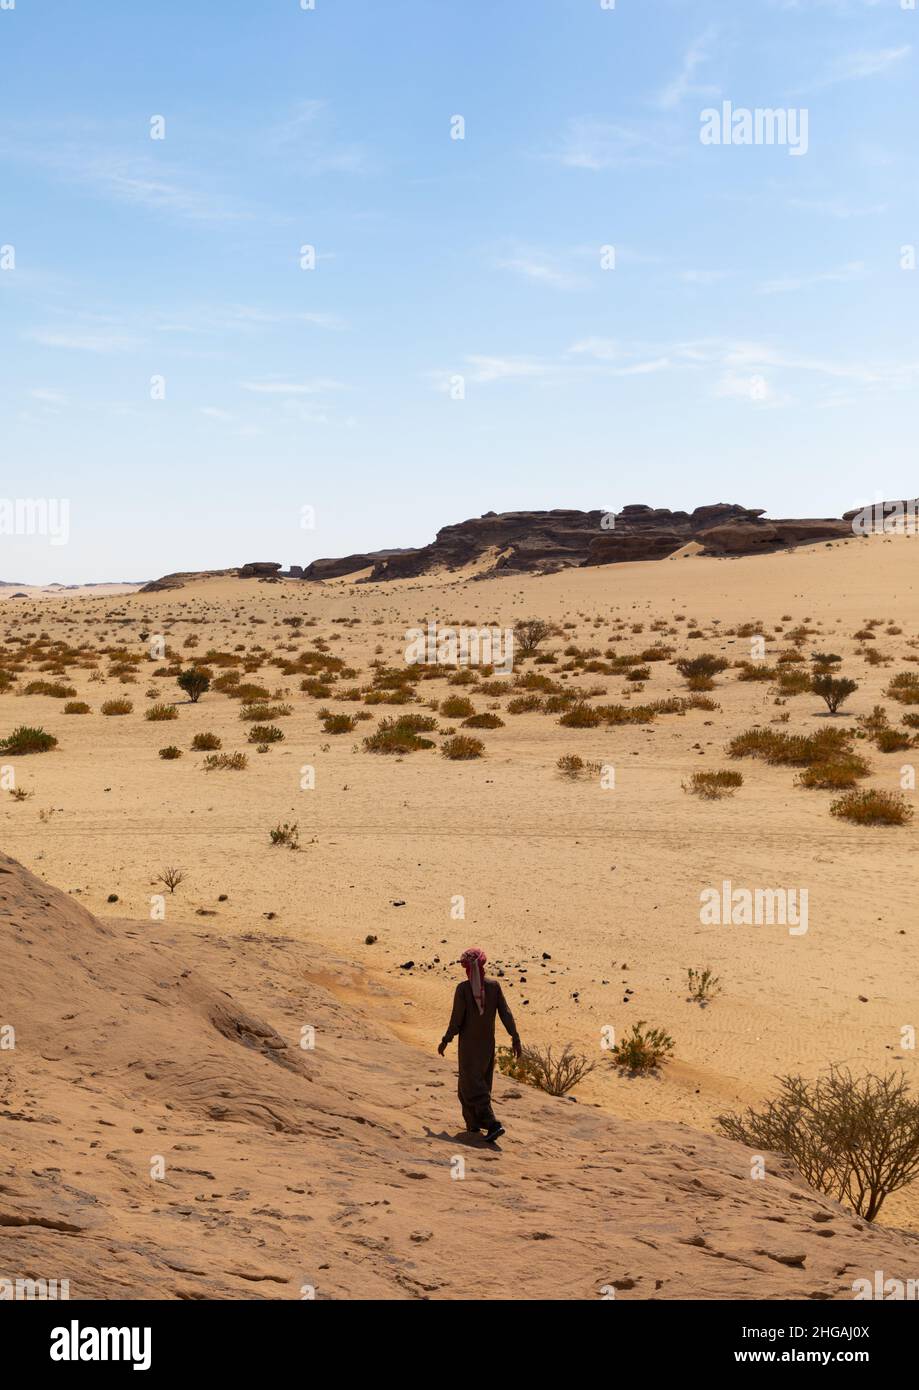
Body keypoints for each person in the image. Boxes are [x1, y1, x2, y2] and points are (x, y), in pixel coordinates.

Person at [437, 947, 522, 1143]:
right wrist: (515, 1037)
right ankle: (473, 1126)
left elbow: (456, 1021)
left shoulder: (464, 990)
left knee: (473, 1088)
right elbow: (506, 1014)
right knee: (473, 1085)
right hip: (487, 1047)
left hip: (469, 1049)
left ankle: (493, 1124)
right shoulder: (494, 987)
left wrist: (445, 1040)